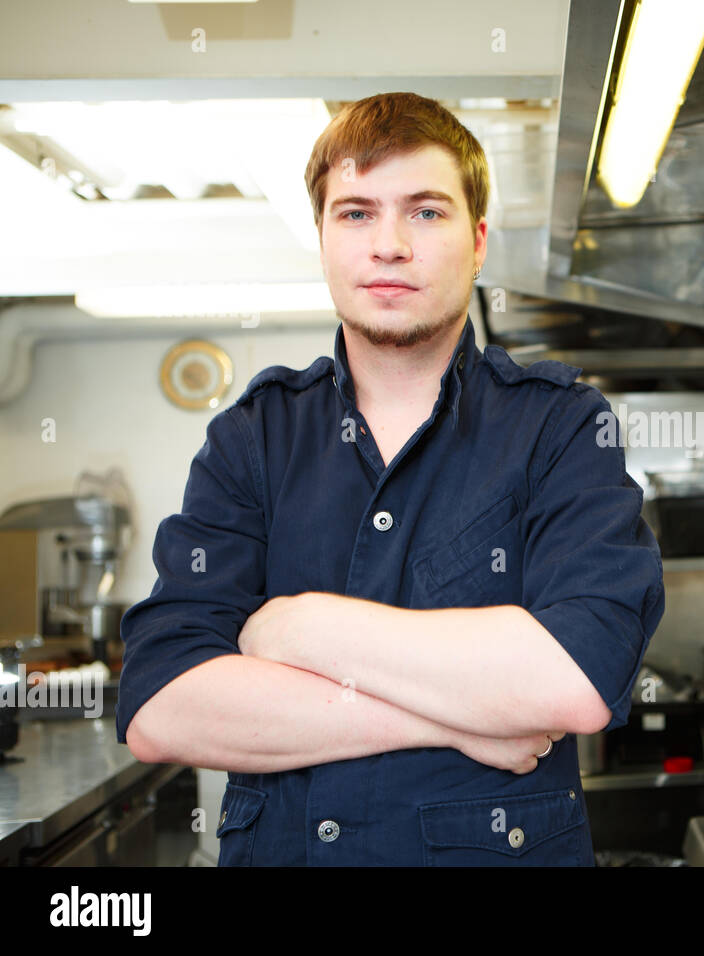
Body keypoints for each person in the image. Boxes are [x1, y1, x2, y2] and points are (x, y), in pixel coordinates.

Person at [115, 91, 666, 866]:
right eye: (356, 213)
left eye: (427, 212)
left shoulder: (560, 427)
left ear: (478, 241)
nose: (390, 244)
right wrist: (460, 716)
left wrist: (299, 627)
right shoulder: (252, 440)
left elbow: (575, 675)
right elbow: (162, 708)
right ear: (323, 237)